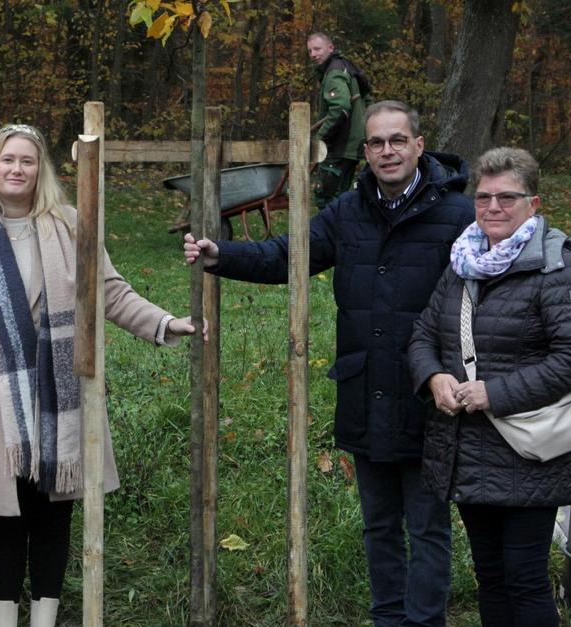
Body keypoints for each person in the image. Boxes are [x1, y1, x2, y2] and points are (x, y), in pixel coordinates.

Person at [184, 101, 472, 626]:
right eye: (377, 143)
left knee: (429, 525)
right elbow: (286, 255)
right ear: (365, 151)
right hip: (366, 390)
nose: (388, 151)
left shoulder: (457, 215)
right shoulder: (348, 211)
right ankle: (388, 617)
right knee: (379, 522)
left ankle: (425, 621)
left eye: (398, 141)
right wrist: (220, 255)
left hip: (431, 394)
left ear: (418, 146)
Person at [0, 123, 199, 627]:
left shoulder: (71, 224)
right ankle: (4, 619)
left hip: (60, 392)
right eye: (7, 159)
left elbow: (111, 293)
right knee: (8, 516)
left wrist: (166, 323)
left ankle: (45, 618)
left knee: (55, 510)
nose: (16, 169)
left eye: (27, 161)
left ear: (42, 171)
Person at [408, 147, 571, 626]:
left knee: (525, 579)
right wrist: (433, 376)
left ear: (533, 204)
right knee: (490, 576)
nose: (493, 207)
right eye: (484, 197)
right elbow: (425, 332)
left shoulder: (558, 265)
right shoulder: (463, 260)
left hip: (527, 449)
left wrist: (495, 392)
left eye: (506, 198)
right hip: (468, 450)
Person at [307, 31, 373, 205]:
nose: (313, 54)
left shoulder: (334, 72)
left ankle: (333, 232)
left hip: (339, 146)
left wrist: (320, 138)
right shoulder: (347, 67)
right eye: (310, 51)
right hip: (352, 146)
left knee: (325, 199)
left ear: (330, 47)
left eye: (317, 49)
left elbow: (340, 109)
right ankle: (345, 230)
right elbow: (368, 100)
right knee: (340, 198)